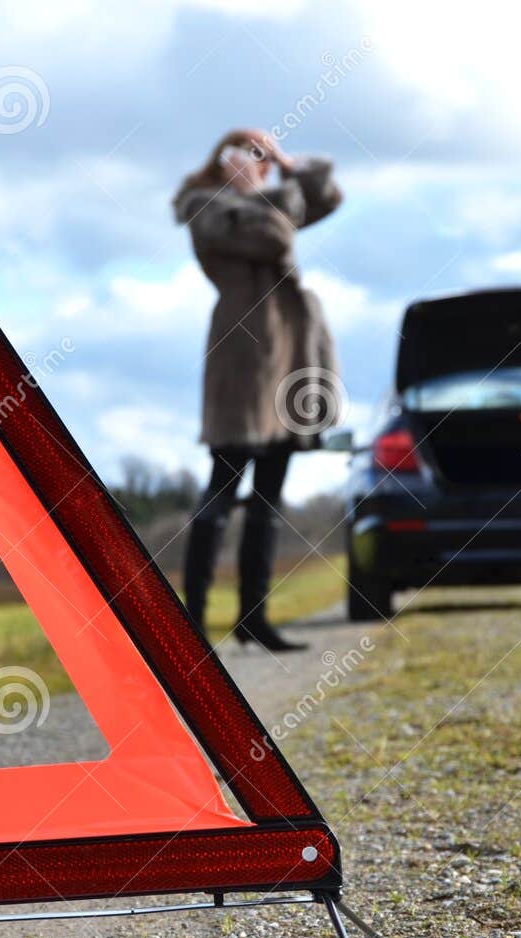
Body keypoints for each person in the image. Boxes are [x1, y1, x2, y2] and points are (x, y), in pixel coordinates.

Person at [173, 128, 343, 652]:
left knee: (268, 496)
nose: (261, 167)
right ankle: (191, 623)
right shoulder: (207, 207)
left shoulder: (268, 198)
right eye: (252, 158)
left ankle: (253, 617)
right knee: (223, 486)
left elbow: (329, 195)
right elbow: (276, 236)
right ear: (223, 160)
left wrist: (290, 165)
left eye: (265, 159)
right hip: (243, 358)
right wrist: (253, 190)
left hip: (290, 355)